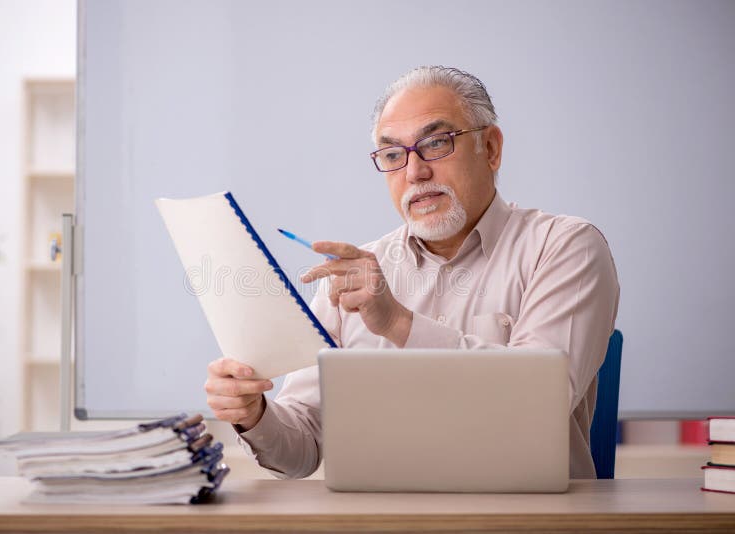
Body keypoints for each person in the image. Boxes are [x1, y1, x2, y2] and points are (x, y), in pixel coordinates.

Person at [204, 66, 620, 479]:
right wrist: (254, 414)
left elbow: (537, 407)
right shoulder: (356, 273)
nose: (414, 172)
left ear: (491, 148)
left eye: (436, 144)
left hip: (522, 521)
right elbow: (303, 449)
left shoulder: (566, 247)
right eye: (392, 155)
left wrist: (399, 323)